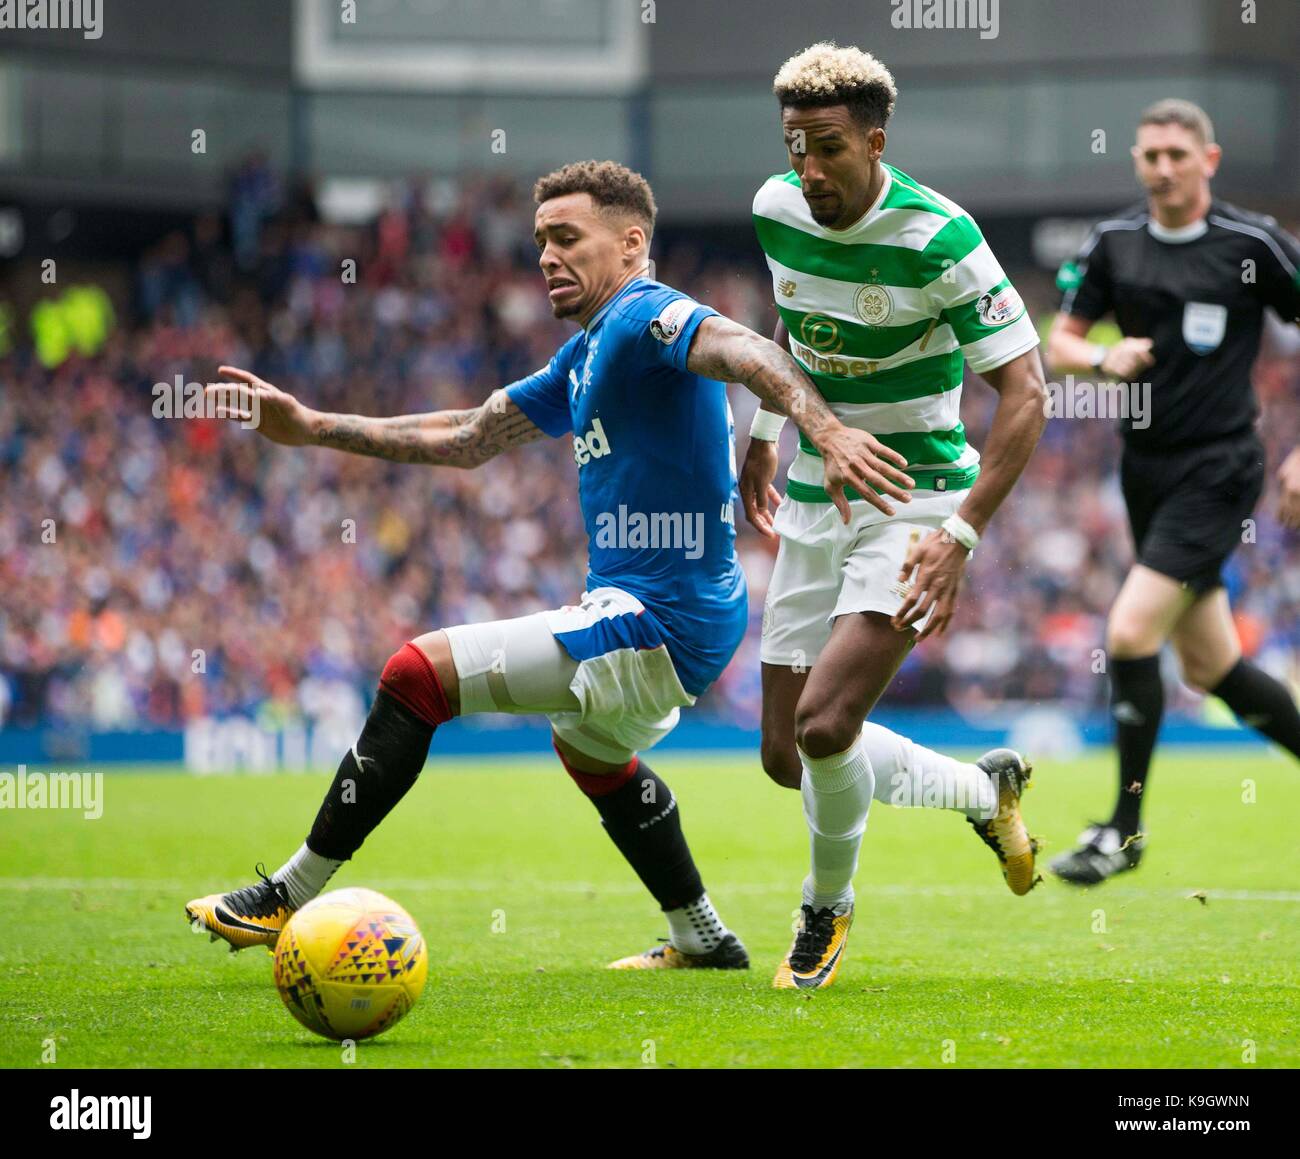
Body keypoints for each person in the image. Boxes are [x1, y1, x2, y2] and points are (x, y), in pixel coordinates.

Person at [186, 159, 898, 970]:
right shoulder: (587, 352)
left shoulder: (647, 314)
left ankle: (286, 894)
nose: (547, 257)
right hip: (652, 611)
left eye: (567, 237)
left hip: (661, 619)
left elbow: (743, 349)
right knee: (590, 751)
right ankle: (702, 936)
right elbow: (468, 435)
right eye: (540, 242)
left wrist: (822, 429)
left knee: (416, 674)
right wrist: (314, 426)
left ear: (632, 243)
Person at [740, 43, 1049, 990]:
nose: (809, 170)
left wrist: (959, 536)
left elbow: (1028, 393)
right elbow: (795, 317)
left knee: (829, 726)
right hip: (814, 489)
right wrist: (762, 426)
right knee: (785, 755)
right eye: (796, 147)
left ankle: (824, 914)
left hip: (914, 495)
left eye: (828, 148)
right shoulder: (775, 207)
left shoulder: (941, 237)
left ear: (875, 139)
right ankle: (983, 791)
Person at [1047, 99, 1300, 885]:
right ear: (1136, 159)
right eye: (1149, 154)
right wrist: (1102, 360)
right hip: (1144, 470)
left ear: (1208, 160)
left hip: (1221, 467)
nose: (1161, 167)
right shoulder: (1113, 244)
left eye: (1176, 155)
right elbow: (1060, 342)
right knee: (1212, 666)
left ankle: (1121, 831)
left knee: (1128, 633)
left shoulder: (1251, 244)